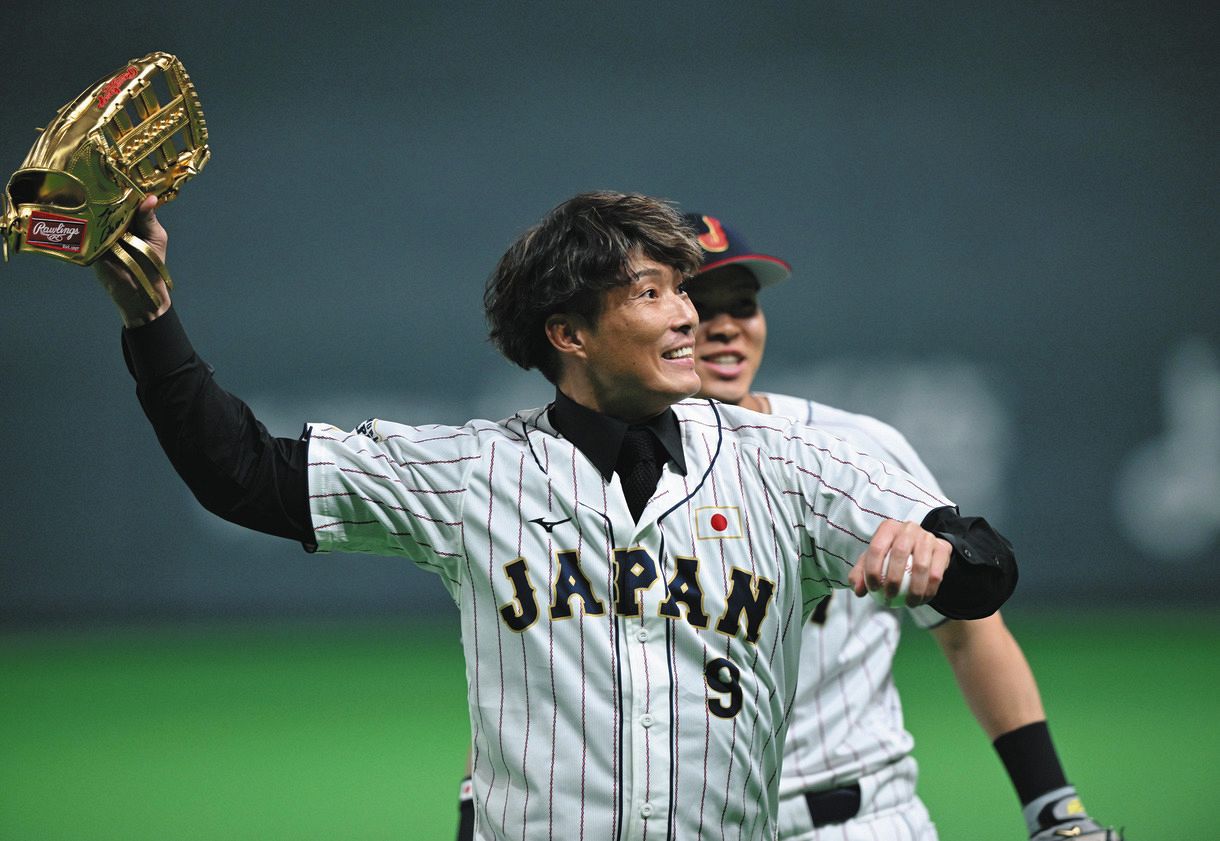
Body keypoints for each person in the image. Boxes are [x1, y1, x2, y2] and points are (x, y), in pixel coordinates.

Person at [94, 191, 1015, 840]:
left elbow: (985, 565)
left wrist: (943, 551)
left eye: (683, 290)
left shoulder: (785, 465)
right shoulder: (473, 476)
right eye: (653, 292)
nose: (689, 315)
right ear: (568, 333)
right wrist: (150, 314)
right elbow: (239, 472)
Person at [678, 212, 1121, 841]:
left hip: (856, 819)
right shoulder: (607, 478)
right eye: (701, 304)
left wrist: (1052, 804)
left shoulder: (851, 448)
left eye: (744, 306)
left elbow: (968, 631)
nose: (727, 327)